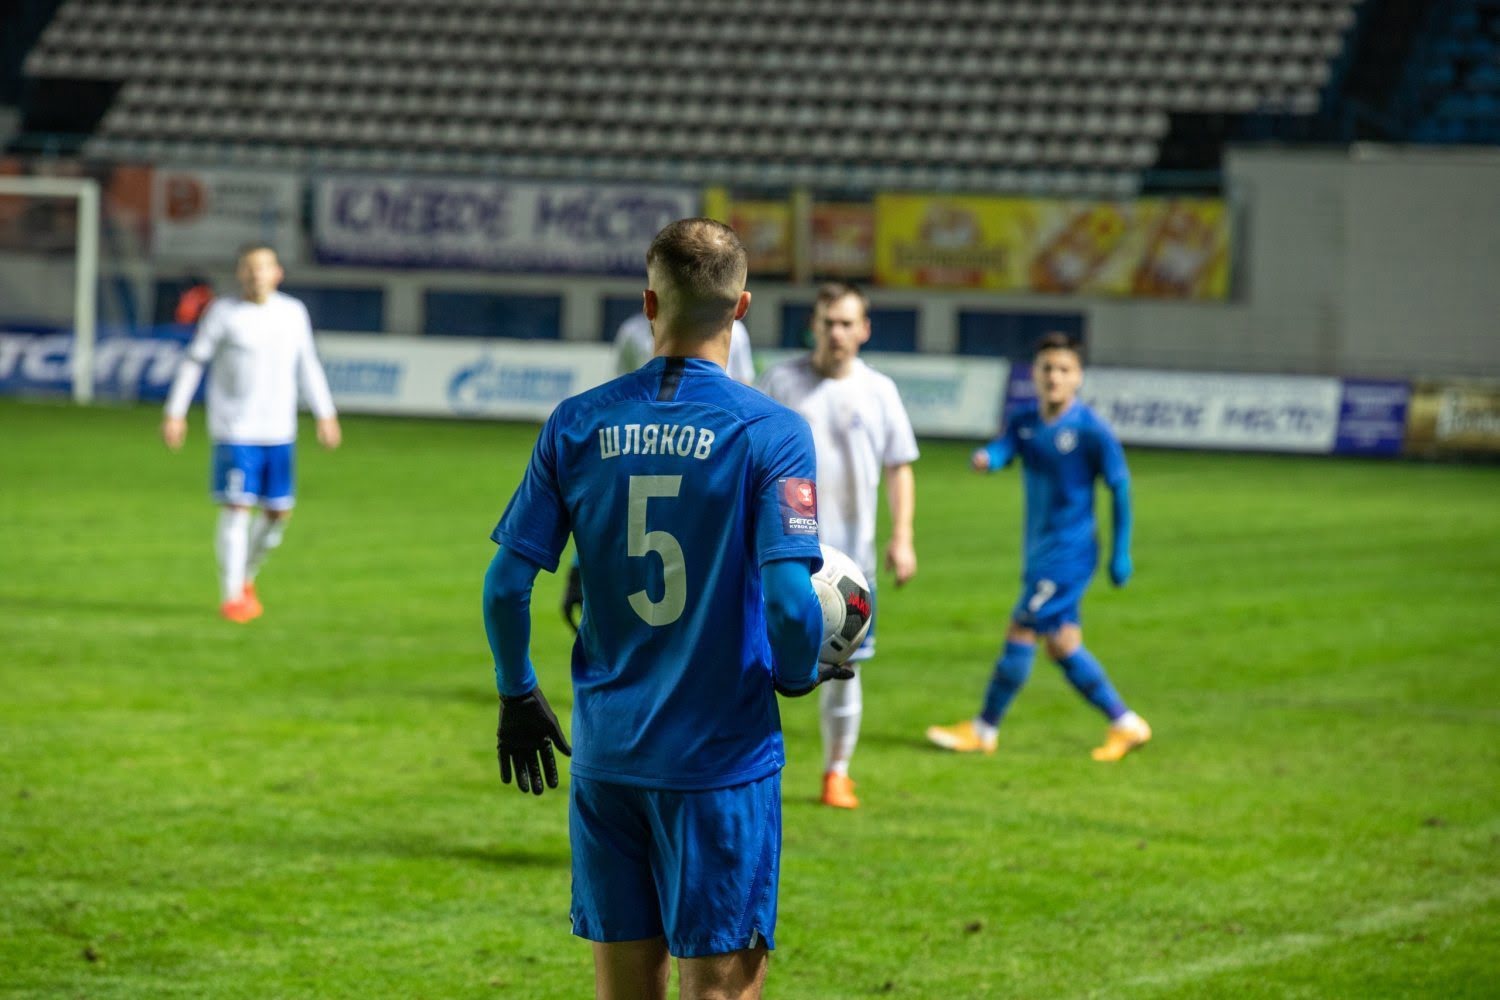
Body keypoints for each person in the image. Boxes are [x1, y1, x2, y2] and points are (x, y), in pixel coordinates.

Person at [484, 218, 850, 1000]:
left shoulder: (577, 422)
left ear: (649, 303)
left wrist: (517, 693)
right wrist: (795, 676)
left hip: (608, 756)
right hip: (719, 762)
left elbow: (506, 585)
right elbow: (792, 607)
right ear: (741, 307)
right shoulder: (773, 432)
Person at [926, 332, 1151, 762]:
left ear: (1079, 377)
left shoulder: (1091, 430)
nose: (1054, 377)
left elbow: (1120, 487)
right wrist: (989, 458)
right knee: (1062, 644)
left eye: (1064, 369)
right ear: (1034, 373)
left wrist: (1121, 552)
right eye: (1047, 368)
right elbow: (1006, 447)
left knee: (1022, 628)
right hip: (1040, 551)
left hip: (1070, 553)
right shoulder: (1025, 420)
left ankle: (984, 728)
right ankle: (1126, 724)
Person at [757, 283, 919, 809]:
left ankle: (837, 773)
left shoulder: (880, 391)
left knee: (845, 672)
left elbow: (899, 467)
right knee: (750, 662)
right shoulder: (780, 382)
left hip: (851, 565)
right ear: (813, 326)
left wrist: (902, 536)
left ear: (864, 329)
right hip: (779, 557)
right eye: (828, 322)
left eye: (847, 323)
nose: (837, 333)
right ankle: (745, 770)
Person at [161, 244, 341, 623]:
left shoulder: (292, 312)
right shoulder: (223, 313)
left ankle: (244, 576)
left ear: (278, 273)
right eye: (249, 268)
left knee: (277, 514)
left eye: (264, 267)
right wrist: (175, 412)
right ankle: (232, 597)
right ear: (240, 274)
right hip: (235, 428)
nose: (257, 275)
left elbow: (307, 364)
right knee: (237, 506)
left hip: (280, 430)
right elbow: (195, 362)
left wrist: (325, 414)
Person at [558, 310, 759, 630]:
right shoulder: (632, 332)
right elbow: (620, 398)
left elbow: (744, 394)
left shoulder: (735, 333)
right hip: (648, 466)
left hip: (708, 466)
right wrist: (578, 564)